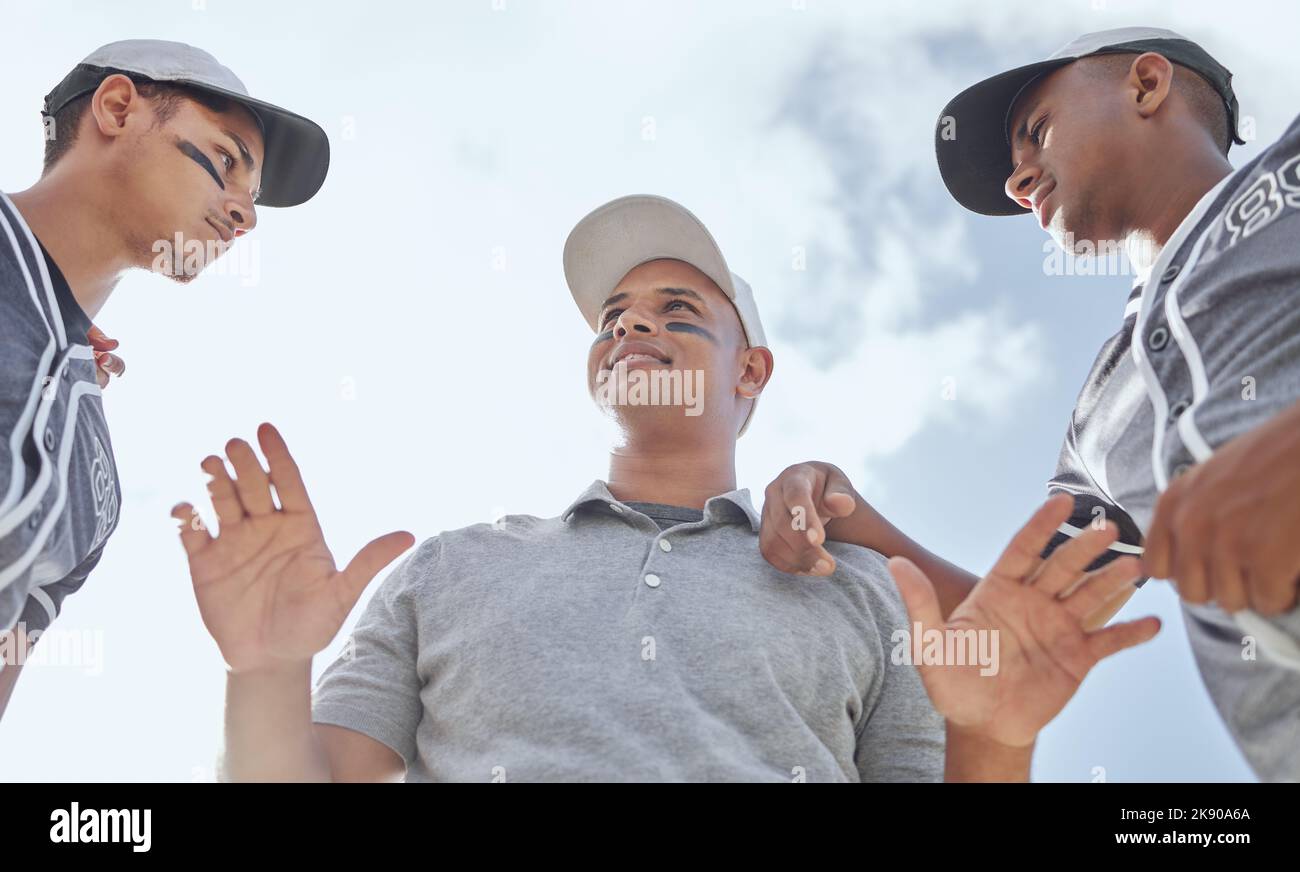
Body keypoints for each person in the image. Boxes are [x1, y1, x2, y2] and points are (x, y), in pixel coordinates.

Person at [171, 194, 959, 782]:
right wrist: (267, 672)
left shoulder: (861, 593)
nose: (628, 328)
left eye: (675, 311)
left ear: (750, 369)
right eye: (612, 317)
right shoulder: (448, 569)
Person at [765, 26, 1300, 781]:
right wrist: (849, 514)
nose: (1019, 181)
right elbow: (1013, 621)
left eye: (1036, 132)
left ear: (1147, 86)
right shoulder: (1101, 418)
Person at [0, 38, 330, 718]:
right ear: (118, 108)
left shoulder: (93, 482)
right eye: (225, 160)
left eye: (253, 194)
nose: (246, 215)